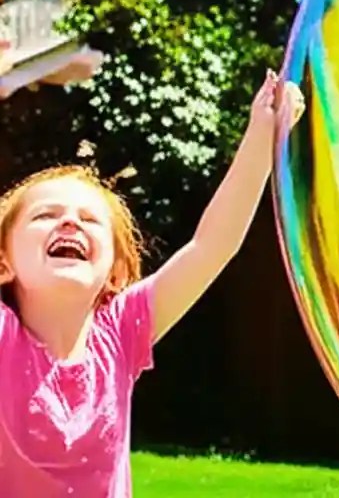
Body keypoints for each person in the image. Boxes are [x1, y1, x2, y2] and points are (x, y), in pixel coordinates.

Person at [0, 70, 304, 496]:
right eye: (45, 215)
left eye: (89, 220)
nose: (69, 221)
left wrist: (261, 133)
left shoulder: (120, 335)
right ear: (3, 262)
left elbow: (211, 246)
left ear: (117, 273)